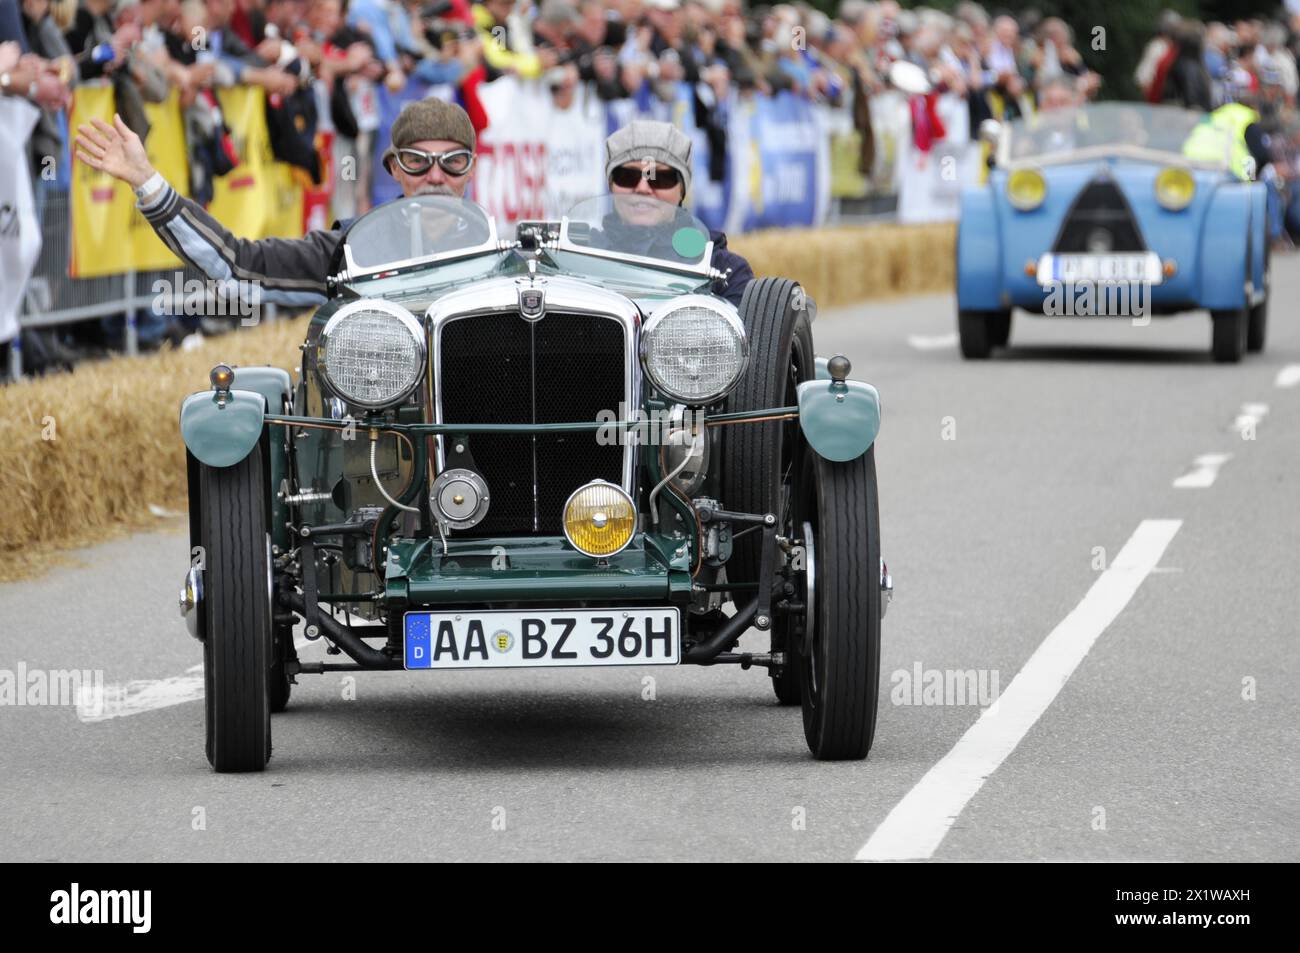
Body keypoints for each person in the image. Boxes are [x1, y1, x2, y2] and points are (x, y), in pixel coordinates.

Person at [72, 97, 478, 309]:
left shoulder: (502, 259)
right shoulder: (353, 251)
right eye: (418, 162)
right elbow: (238, 265)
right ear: (395, 169)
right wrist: (148, 183)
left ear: (471, 169)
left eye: (453, 162)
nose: (436, 177)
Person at [602, 119, 753, 305]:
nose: (642, 188)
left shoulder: (725, 272)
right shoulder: (578, 257)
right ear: (611, 185)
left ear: (682, 189)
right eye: (628, 177)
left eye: (659, 178)